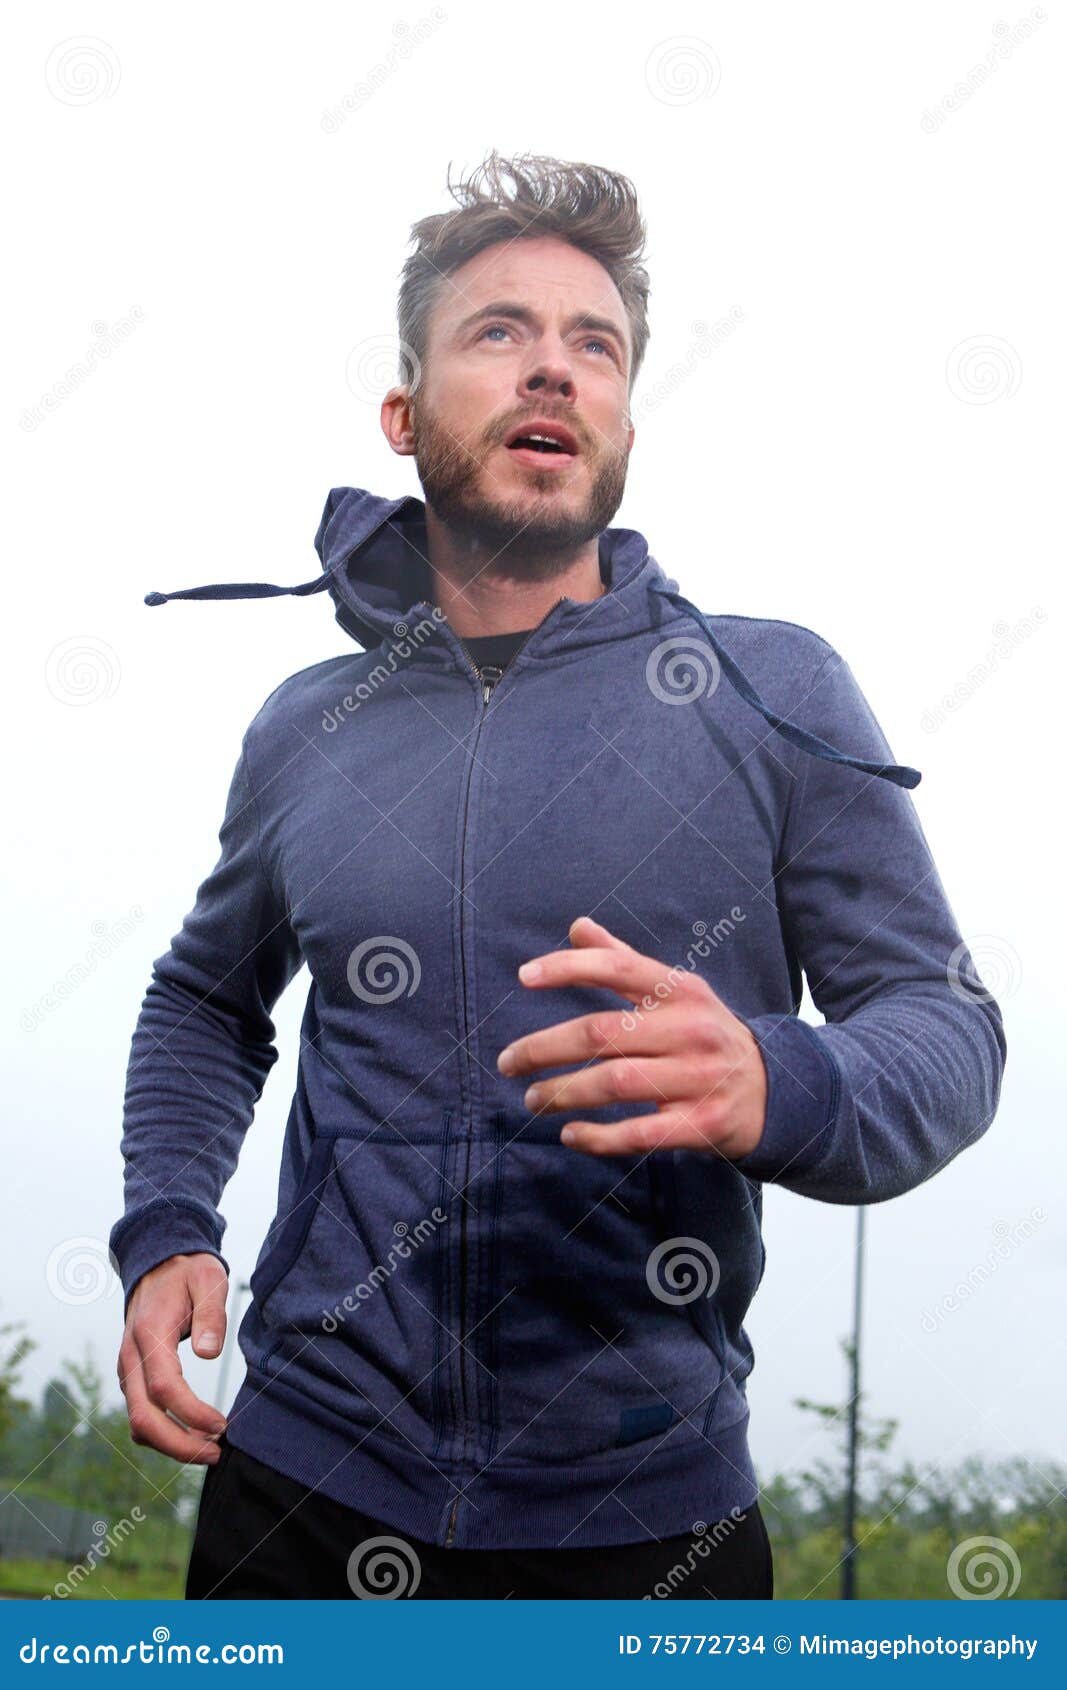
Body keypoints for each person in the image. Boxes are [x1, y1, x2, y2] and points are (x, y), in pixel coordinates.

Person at [110, 151, 1005, 1601]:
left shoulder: (772, 691)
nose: (555, 368)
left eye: (597, 344)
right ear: (405, 414)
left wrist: (779, 1079)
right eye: (499, 331)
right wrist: (164, 1230)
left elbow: (949, 1026)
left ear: (626, 421)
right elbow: (205, 1004)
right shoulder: (305, 729)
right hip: (303, 1484)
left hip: (650, 1519)